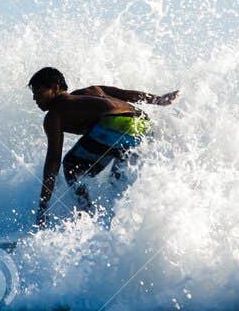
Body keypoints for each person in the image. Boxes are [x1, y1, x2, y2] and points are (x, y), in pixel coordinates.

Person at [28, 66, 178, 226]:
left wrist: (43, 207)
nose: (35, 99)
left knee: (72, 167)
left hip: (117, 124)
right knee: (116, 179)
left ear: (55, 88)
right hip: (142, 125)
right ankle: (123, 224)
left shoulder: (54, 116)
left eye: (39, 93)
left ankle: (87, 221)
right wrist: (158, 100)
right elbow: (126, 94)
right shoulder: (92, 90)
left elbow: (53, 161)